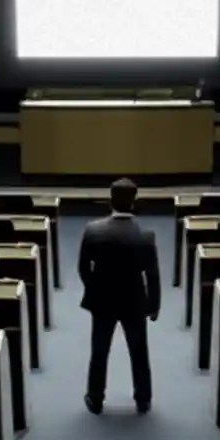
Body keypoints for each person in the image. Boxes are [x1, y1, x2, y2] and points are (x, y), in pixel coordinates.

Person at [77, 177, 161, 415]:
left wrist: (94, 290)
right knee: (139, 351)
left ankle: (95, 398)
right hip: (134, 301)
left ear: (110, 199)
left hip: (102, 301)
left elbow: (83, 267)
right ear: (134, 201)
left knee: (99, 351)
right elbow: (152, 275)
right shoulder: (146, 235)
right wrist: (153, 305)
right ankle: (143, 399)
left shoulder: (93, 230)